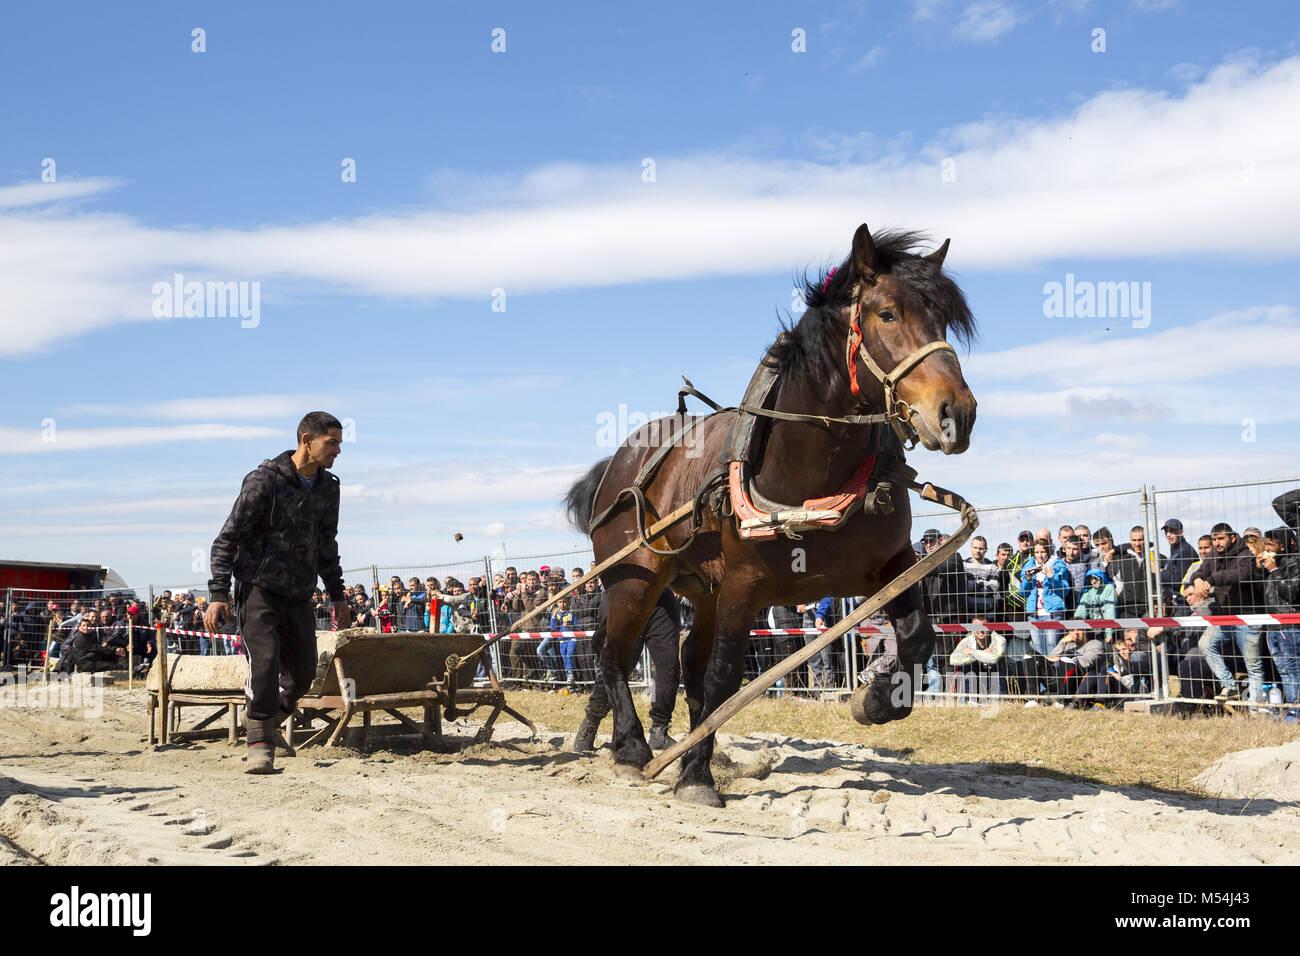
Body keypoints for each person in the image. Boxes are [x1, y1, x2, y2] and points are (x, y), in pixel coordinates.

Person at [204, 411, 349, 775]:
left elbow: (327, 545)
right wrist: (218, 592)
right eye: (332, 443)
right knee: (265, 664)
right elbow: (228, 537)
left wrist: (337, 594)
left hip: (300, 592)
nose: (337, 451)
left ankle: (266, 721)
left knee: (302, 675)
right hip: (258, 589)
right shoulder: (263, 480)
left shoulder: (330, 488)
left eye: (339, 444)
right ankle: (260, 744)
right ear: (307, 441)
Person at [573, 588, 681, 753]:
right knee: (614, 668)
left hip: (661, 601)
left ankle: (659, 729)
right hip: (622, 595)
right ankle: (592, 720)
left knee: (669, 666)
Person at [949, 616, 1005, 699]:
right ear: (971, 629)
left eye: (983, 627)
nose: (980, 631)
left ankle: (999, 699)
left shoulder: (999, 639)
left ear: (989, 627)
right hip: (975, 678)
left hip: (993, 677)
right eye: (976, 627)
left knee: (997, 664)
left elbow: (994, 658)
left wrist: (971, 652)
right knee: (967, 667)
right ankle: (970, 700)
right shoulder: (967, 640)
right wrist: (981, 654)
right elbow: (953, 659)